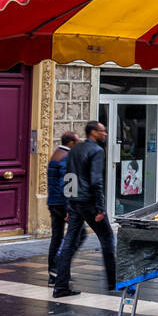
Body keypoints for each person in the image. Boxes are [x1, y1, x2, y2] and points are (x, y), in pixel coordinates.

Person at [52, 121, 116, 298]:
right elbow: (96, 181)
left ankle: (61, 285)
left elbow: (69, 176)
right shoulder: (97, 151)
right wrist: (100, 208)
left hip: (74, 201)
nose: (106, 134)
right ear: (93, 132)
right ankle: (113, 282)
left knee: (70, 241)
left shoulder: (74, 149)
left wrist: (68, 203)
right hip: (88, 201)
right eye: (103, 131)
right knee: (107, 238)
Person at [45, 131, 87, 286]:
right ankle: (58, 267)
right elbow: (67, 184)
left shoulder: (57, 154)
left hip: (54, 202)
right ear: (71, 143)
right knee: (79, 234)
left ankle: (53, 275)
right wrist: (70, 208)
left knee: (57, 237)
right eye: (77, 141)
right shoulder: (67, 157)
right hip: (64, 204)